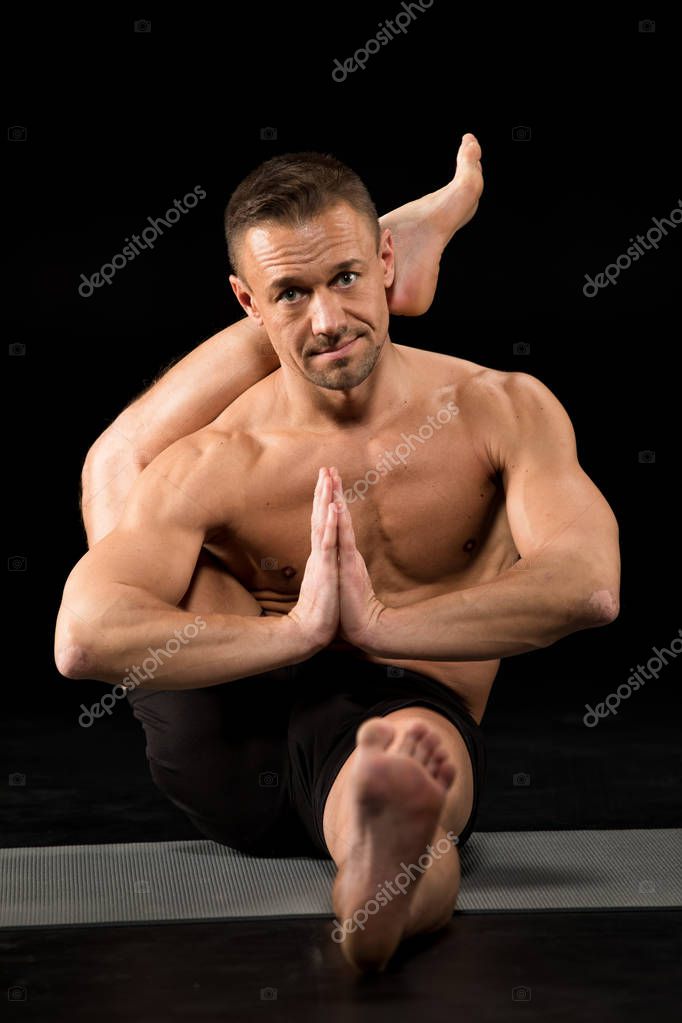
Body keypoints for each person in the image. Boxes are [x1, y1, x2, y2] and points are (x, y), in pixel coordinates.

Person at [55, 134, 620, 973]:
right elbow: (83, 639)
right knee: (117, 471)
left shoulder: (499, 411)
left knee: (397, 770)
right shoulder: (218, 458)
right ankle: (376, 834)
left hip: (407, 703)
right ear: (244, 303)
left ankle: (373, 895)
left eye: (349, 275)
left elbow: (588, 586)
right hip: (230, 720)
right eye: (288, 292)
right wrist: (303, 632)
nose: (325, 320)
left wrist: (381, 623)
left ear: (382, 260)